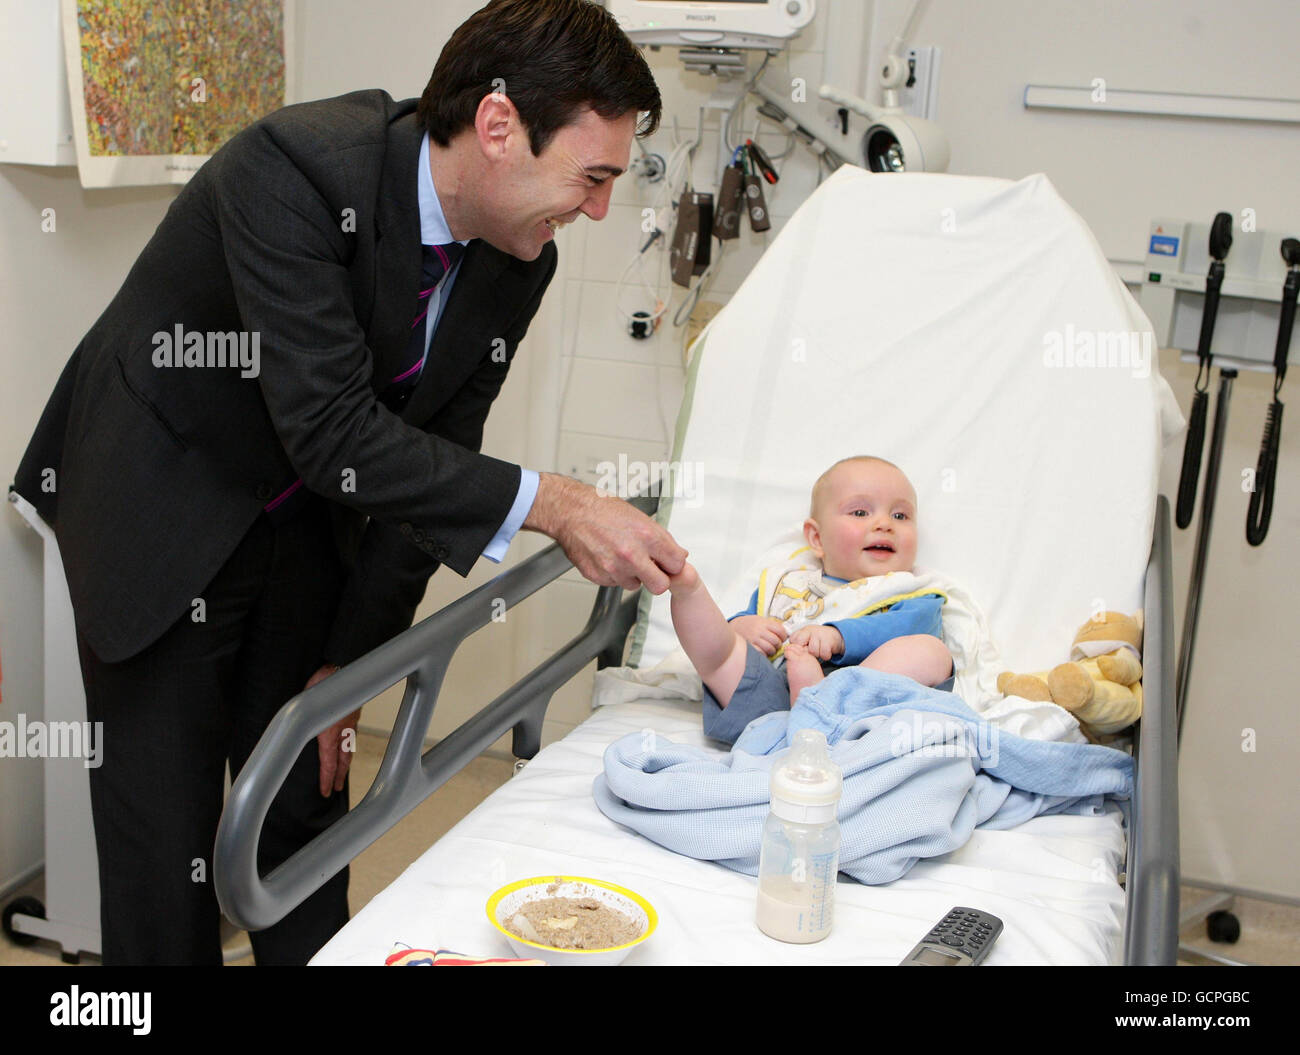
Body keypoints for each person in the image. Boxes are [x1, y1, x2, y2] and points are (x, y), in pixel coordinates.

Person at [8, 0, 684, 965]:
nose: (599, 208)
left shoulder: (514, 257)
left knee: (306, 822)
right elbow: (334, 430)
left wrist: (352, 658)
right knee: (164, 863)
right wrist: (562, 504)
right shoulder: (294, 169)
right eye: (593, 177)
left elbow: (433, 461)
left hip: (302, 522)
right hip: (162, 506)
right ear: (499, 127)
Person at [667, 456, 954, 745]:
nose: (884, 524)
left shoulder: (913, 591)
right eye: (859, 512)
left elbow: (905, 627)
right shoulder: (788, 582)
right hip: (773, 703)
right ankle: (689, 594)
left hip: (861, 711)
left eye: (900, 516)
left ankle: (826, 702)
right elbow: (756, 622)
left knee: (932, 652)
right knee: (725, 656)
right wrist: (743, 625)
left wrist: (838, 637)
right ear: (816, 538)